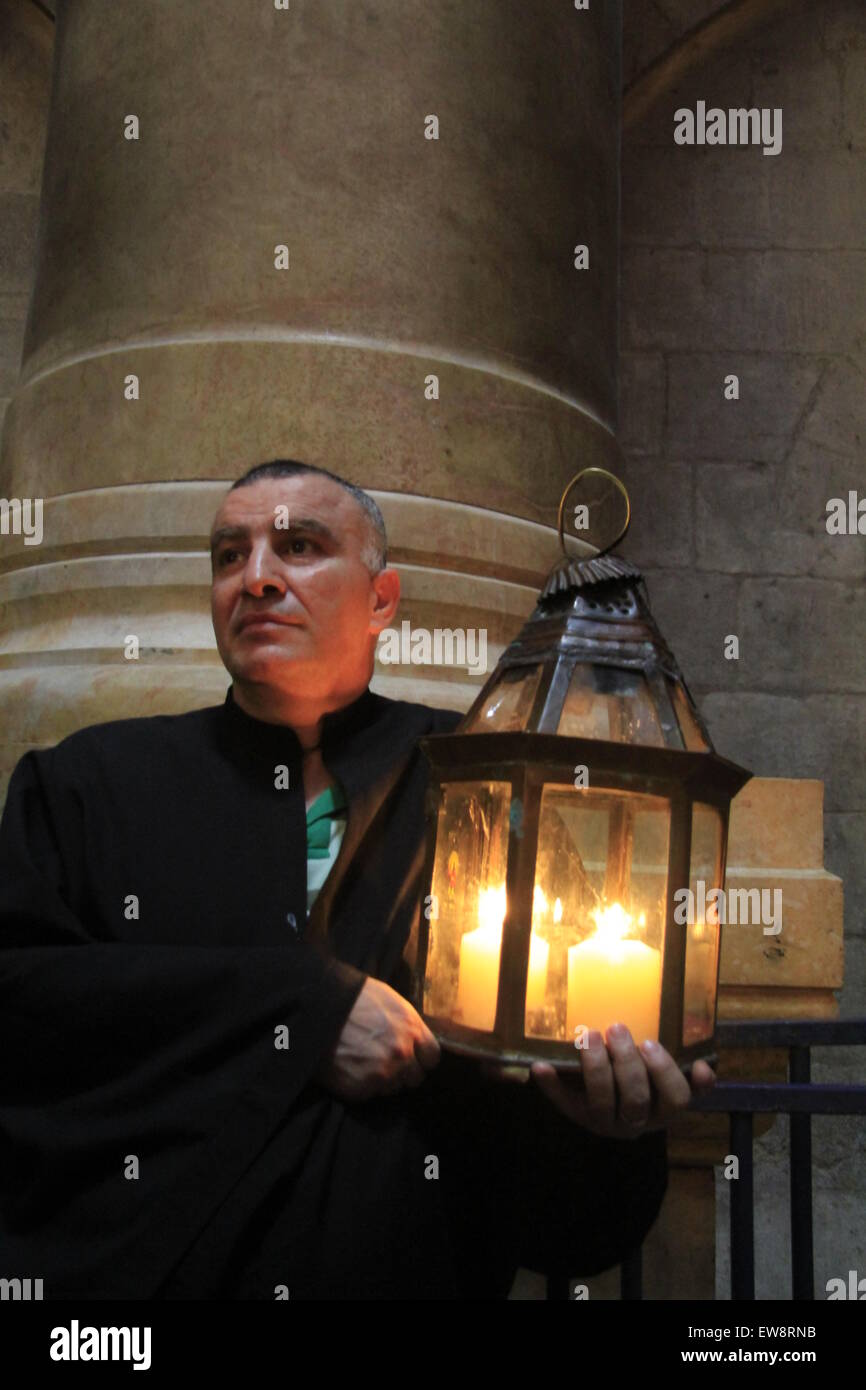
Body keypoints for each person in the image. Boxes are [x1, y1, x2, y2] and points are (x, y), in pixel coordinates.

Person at [0, 459, 714, 1300]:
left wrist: (606, 1126)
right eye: (230, 557)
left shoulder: (484, 791)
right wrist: (301, 1007)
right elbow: (24, 1001)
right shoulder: (90, 783)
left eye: (298, 546)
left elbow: (554, 1169)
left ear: (382, 600)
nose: (257, 578)